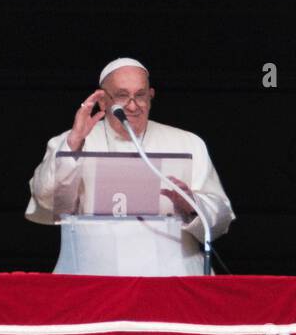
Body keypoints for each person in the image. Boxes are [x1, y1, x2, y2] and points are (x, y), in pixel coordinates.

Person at [26, 57, 234, 276]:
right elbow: (46, 199)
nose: (133, 106)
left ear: (151, 96)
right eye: (122, 96)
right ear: (103, 101)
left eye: (140, 95)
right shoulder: (72, 141)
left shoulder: (189, 142)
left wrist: (192, 206)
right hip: (92, 274)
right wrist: (74, 145)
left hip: (171, 279)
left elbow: (221, 220)